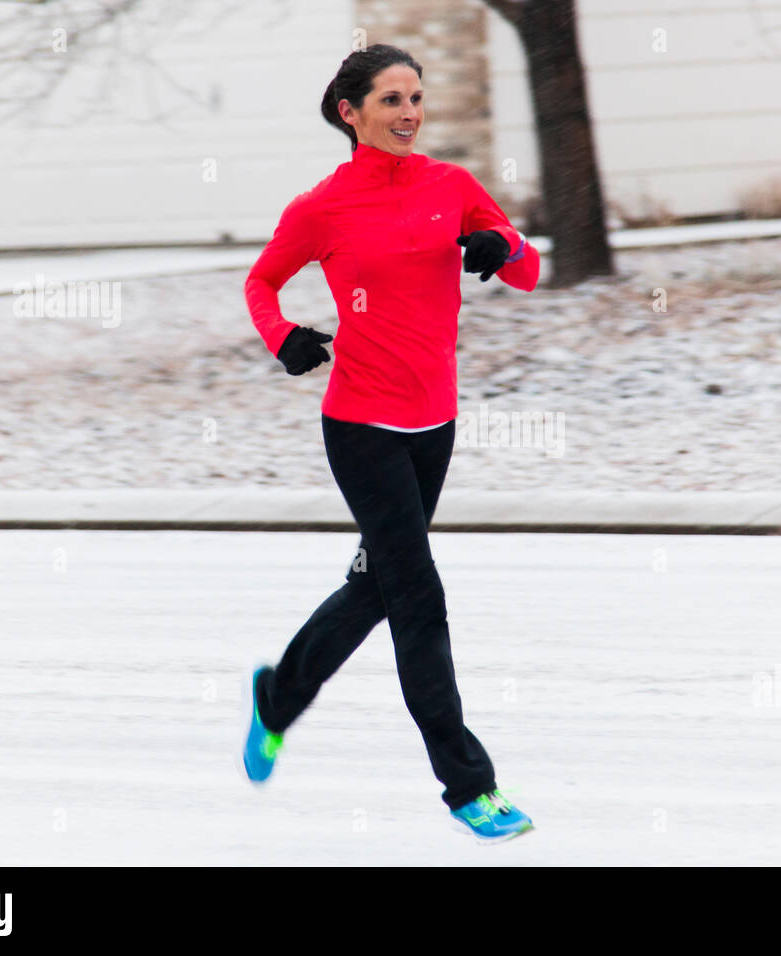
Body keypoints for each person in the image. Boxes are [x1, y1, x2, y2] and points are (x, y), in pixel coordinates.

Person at [240, 44, 540, 843]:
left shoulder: (452, 187)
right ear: (351, 112)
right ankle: (469, 785)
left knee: (376, 586)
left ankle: (278, 699)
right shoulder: (322, 208)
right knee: (416, 594)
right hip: (362, 426)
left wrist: (501, 248)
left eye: (415, 97)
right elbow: (261, 281)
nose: (409, 112)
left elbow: (530, 269)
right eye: (391, 100)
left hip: (434, 425)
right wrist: (282, 338)